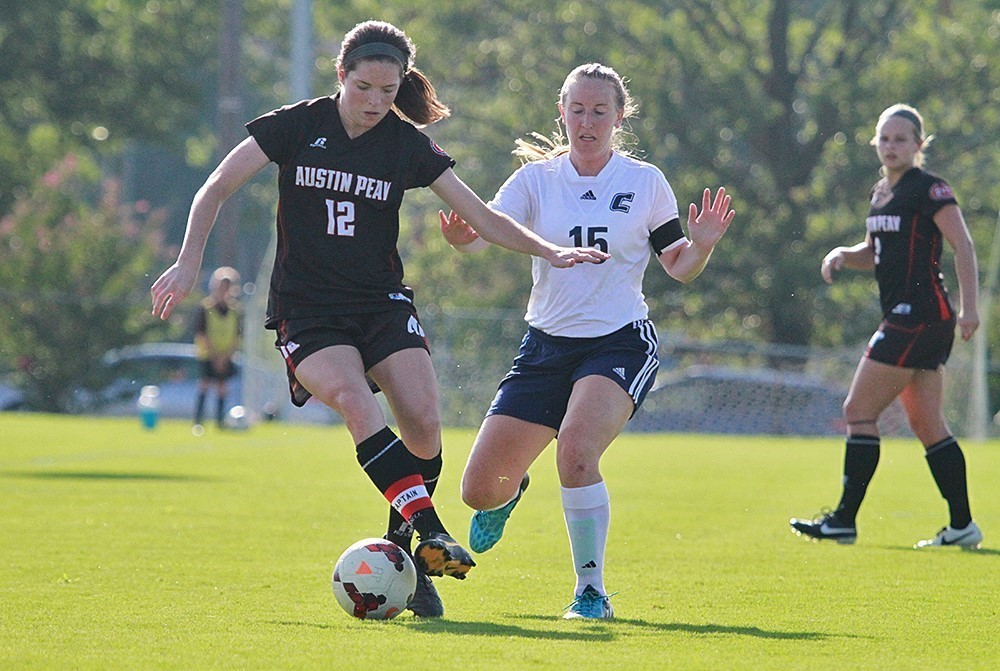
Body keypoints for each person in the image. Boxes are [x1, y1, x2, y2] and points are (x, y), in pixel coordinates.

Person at [149, 20, 608, 618]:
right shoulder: (297, 125)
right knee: (353, 401)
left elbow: (481, 216)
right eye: (363, 87)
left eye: (388, 93)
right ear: (341, 75)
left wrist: (548, 250)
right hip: (308, 311)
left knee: (423, 422)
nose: (374, 103)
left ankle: (405, 556)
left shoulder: (405, 143)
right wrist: (188, 264)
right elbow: (215, 187)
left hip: (379, 302)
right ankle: (433, 532)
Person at [440, 63, 736, 619]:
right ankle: (512, 489)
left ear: (619, 117)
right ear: (562, 112)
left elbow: (679, 266)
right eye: (577, 109)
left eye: (600, 111)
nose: (587, 121)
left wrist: (702, 247)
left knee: (576, 452)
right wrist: (463, 240)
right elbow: (486, 236)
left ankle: (591, 591)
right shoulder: (535, 180)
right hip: (545, 346)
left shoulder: (644, 181)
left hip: (618, 342)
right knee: (478, 491)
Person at [790, 104, 982, 549]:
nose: (892, 146)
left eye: (901, 139)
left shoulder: (929, 189)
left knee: (858, 410)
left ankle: (843, 520)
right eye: (885, 138)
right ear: (875, 143)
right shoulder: (881, 192)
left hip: (920, 315)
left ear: (919, 144)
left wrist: (970, 309)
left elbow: (963, 244)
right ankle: (962, 526)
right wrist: (843, 253)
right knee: (928, 423)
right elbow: (876, 252)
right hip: (909, 316)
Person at [193, 266, 242, 432]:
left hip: (225, 356)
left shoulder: (235, 310)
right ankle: (198, 421)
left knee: (222, 387)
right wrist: (214, 355)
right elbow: (201, 334)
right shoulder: (206, 307)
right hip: (208, 355)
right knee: (205, 384)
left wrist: (226, 356)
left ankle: (220, 422)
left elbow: (237, 335)